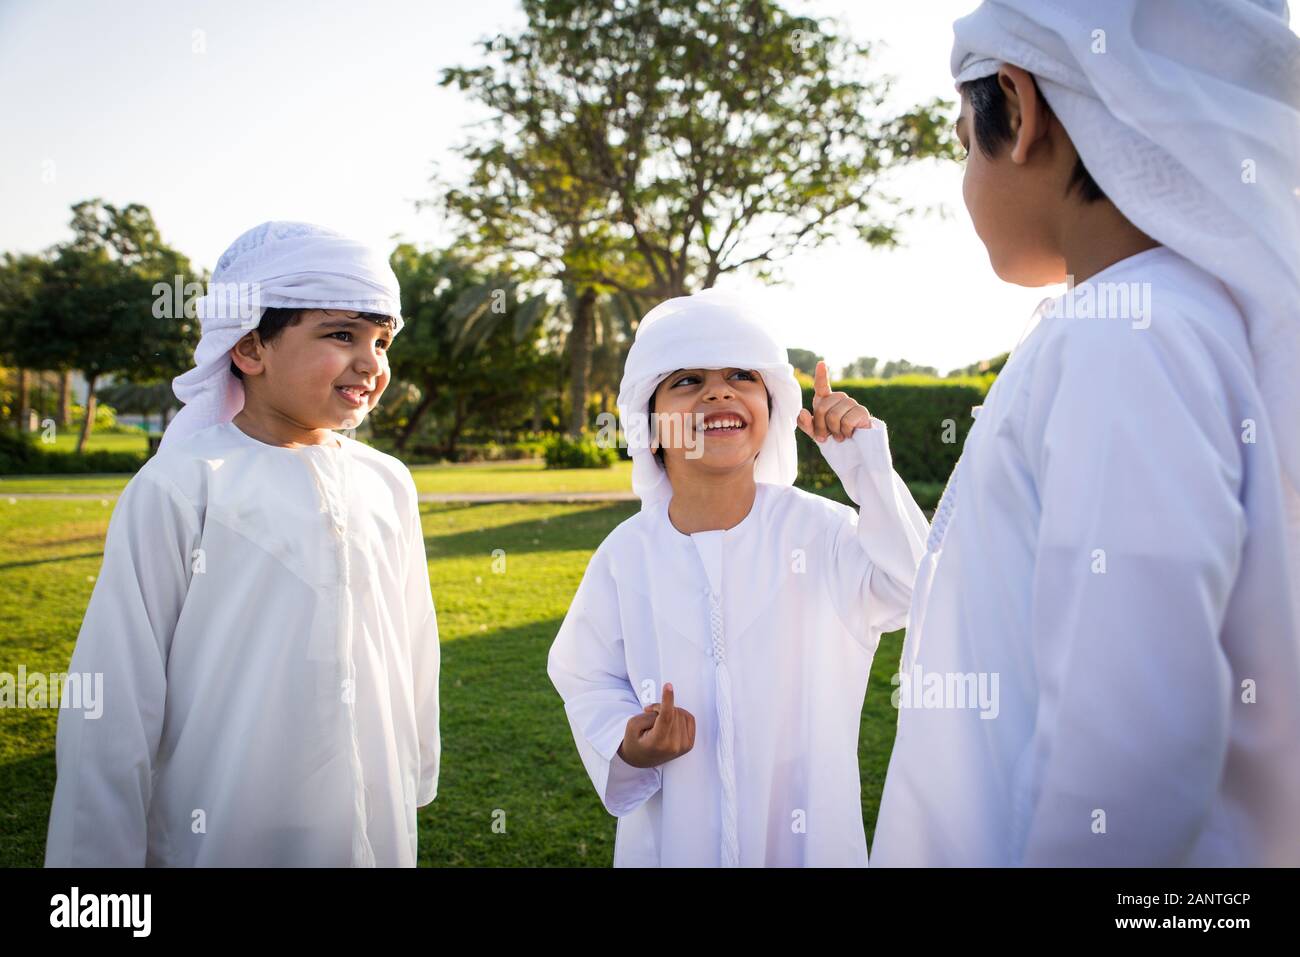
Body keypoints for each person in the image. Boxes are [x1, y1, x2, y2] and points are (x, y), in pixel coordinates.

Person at [871, 0, 1300, 866]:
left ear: (1018, 110)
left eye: (963, 139)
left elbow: (1133, 751)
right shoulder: (1164, 321)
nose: (963, 175)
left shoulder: (1125, 335)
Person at [44, 221, 441, 867]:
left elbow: (414, 642)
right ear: (250, 347)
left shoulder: (388, 482)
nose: (371, 362)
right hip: (222, 822)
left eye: (382, 339)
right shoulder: (183, 483)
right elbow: (116, 692)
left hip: (373, 822)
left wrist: (413, 772)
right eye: (341, 334)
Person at [547, 289, 929, 866]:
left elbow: (915, 589)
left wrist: (865, 466)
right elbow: (584, 673)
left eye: (740, 375)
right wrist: (629, 740)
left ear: (770, 409)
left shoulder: (823, 533)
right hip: (674, 836)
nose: (718, 391)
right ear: (649, 427)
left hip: (809, 837)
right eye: (686, 380)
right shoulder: (625, 555)